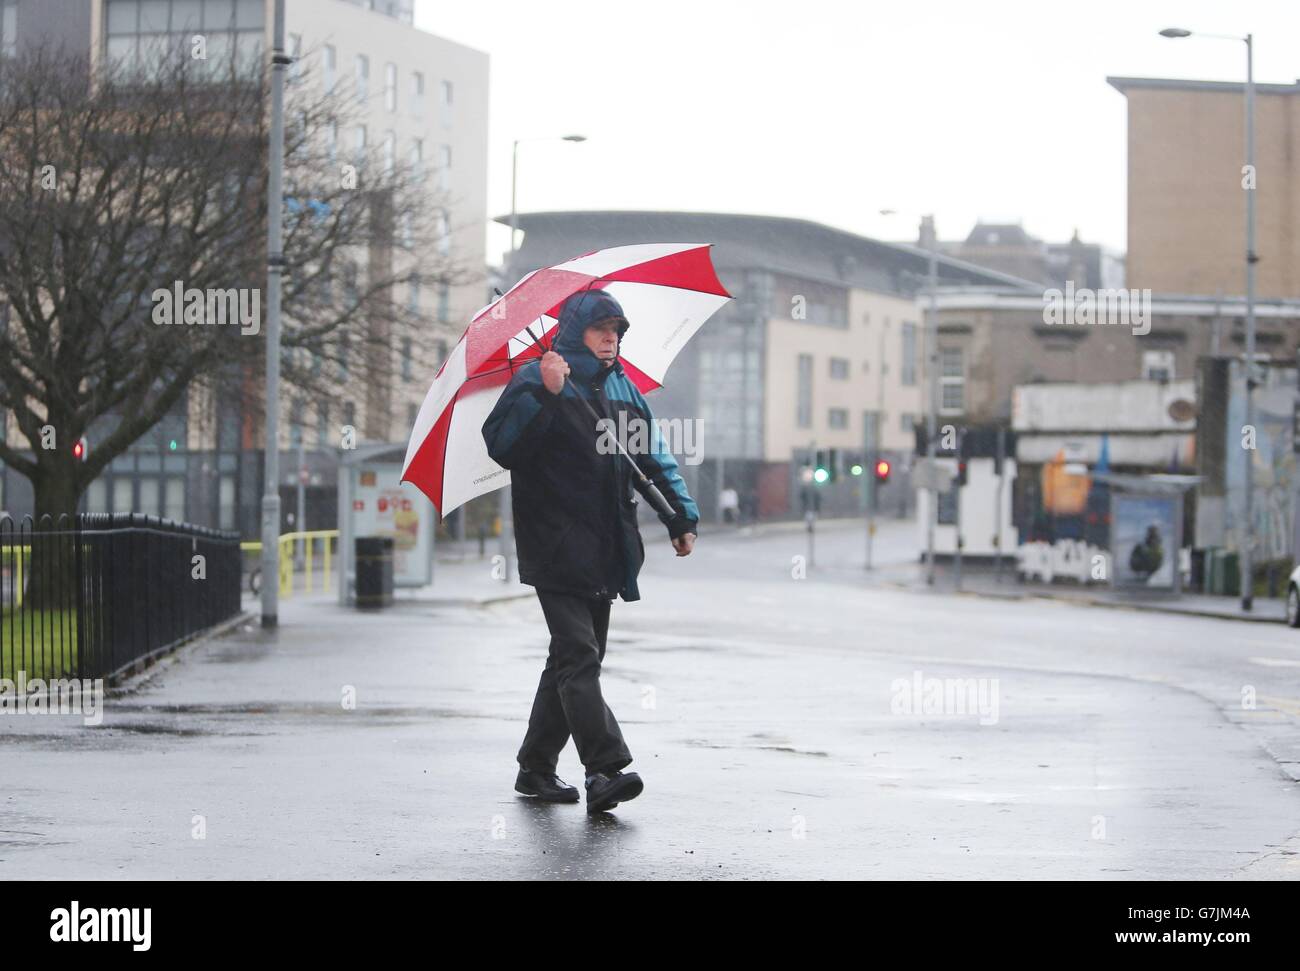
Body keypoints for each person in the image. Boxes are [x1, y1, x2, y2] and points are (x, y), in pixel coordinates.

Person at [481, 288, 699, 814]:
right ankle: (606, 768)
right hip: (554, 544)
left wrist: (680, 515)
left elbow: (652, 456)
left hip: (606, 545)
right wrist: (546, 396)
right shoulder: (537, 378)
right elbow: (502, 446)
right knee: (580, 656)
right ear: (576, 330)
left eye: (617, 331)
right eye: (602, 329)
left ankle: (535, 769)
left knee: (573, 658)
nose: (611, 339)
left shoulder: (622, 388)